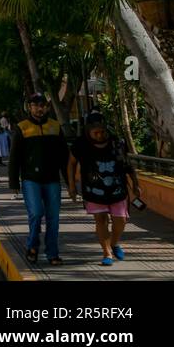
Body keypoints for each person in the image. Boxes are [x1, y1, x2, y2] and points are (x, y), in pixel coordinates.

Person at [67, 111, 141, 265]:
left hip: (117, 190)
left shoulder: (116, 142)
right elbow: (71, 164)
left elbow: (127, 164)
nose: (100, 135)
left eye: (102, 131)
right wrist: (72, 186)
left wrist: (135, 184)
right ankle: (107, 253)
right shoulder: (80, 144)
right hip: (94, 191)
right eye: (96, 133)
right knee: (101, 220)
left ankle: (114, 243)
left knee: (120, 220)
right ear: (88, 131)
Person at [9, 93, 70, 265]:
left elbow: (64, 158)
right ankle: (32, 246)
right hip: (30, 180)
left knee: (53, 217)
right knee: (36, 213)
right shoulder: (22, 127)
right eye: (35, 105)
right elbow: (14, 158)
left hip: (52, 180)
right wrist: (14, 183)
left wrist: (70, 183)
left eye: (42, 105)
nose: (39, 108)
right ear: (29, 107)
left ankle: (52, 253)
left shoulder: (55, 127)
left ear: (47, 107)